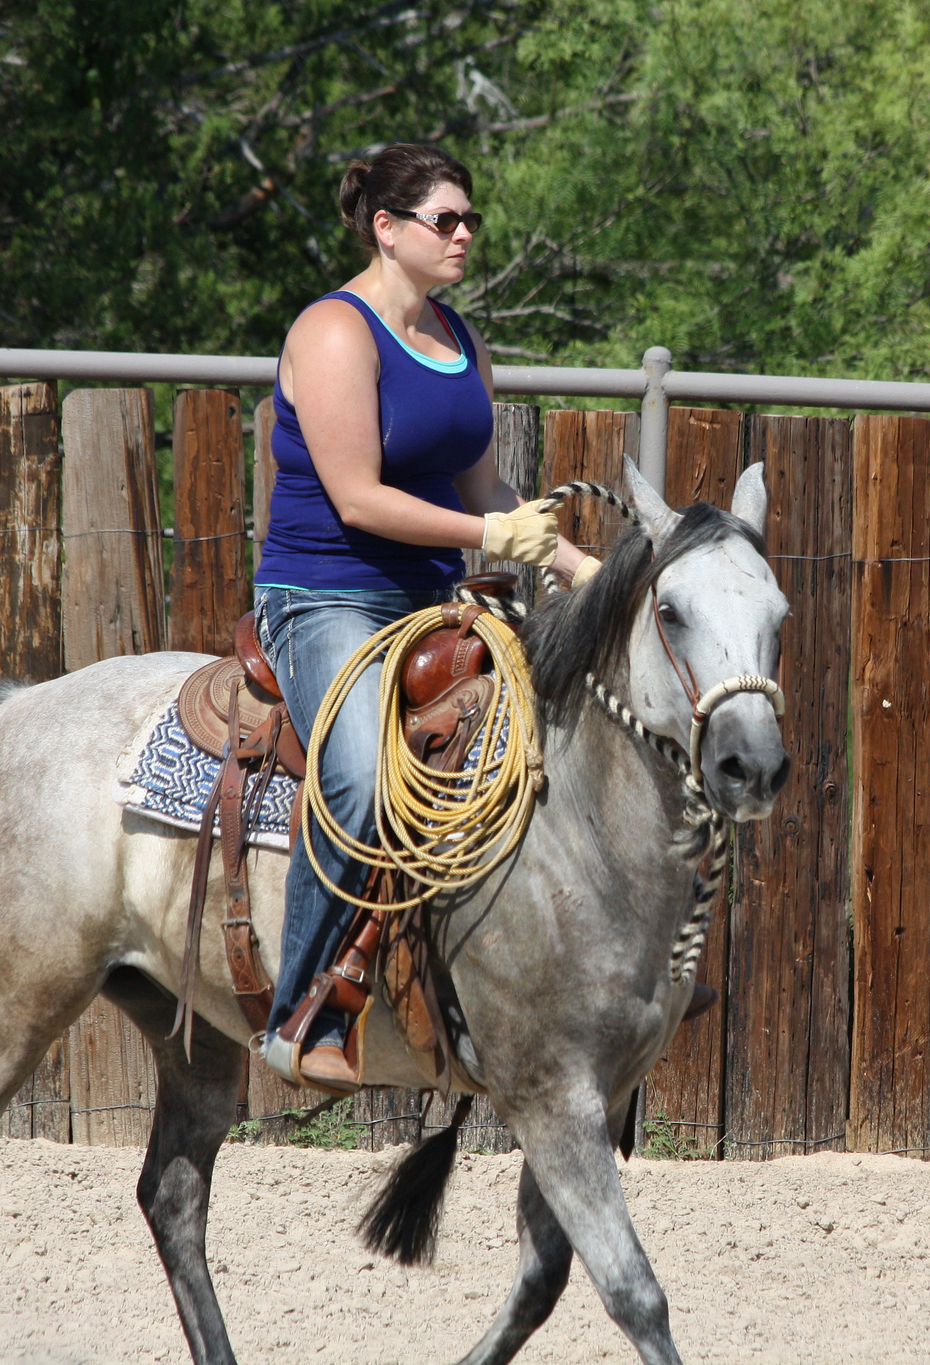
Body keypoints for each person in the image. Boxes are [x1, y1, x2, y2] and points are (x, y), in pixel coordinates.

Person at [254, 144, 592, 1092]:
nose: (464, 235)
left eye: (470, 219)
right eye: (446, 220)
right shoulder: (333, 334)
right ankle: (301, 1011)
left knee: (568, 734)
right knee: (361, 777)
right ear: (386, 229)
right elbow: (358, 498)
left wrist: (580, 563)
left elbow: (490, 492)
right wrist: (493, 531)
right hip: (326, 598)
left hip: (437, 600)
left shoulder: (462, 341)